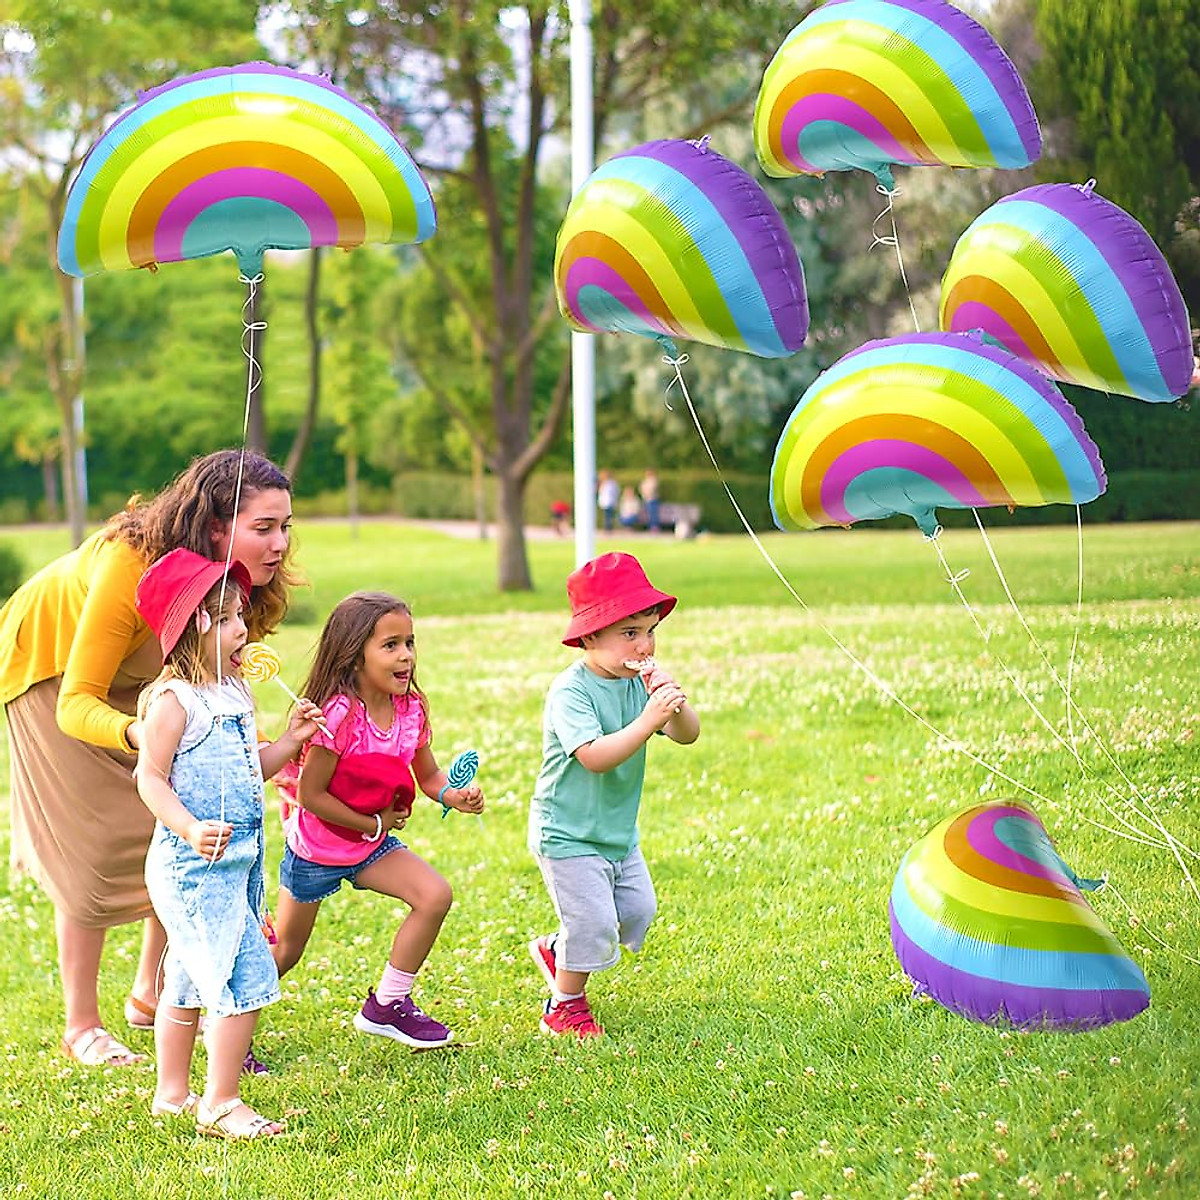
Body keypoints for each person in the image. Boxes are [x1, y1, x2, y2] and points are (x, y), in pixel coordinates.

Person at [0, 449, 297, 1068]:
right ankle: (82, 1024)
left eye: (285, 526)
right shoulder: (131, 562)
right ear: (216, 526)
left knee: (178, 830)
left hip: (149, 679)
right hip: (52, 671)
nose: (278, 544)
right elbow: (77, 704)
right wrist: (148, 739)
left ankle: (152, 992)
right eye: (263, 528)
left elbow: (217, 674)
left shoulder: (231, 589)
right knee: (97, 844)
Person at [133, 549, 323, 1138]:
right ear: (197, 625)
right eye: (232, 619)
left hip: (236, 865)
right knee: (245, 974)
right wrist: (188, 826)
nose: (245, 629)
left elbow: (247, 768)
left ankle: (171, 1094)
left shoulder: (236, 692)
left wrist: (290, 741)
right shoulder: (174, 702)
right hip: (190, 868)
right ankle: (220, 1101)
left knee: (189, 975)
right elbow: (150, 777)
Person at [271, 592, 484, 1049]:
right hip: (318, 848)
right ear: (353, 654)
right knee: (286, 950)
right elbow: (310, 795)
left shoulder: (411, 709)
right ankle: (226, 1015)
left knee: (434, 895)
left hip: (369, 842)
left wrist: (454, 794)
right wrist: (375, 824)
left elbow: (427, 776)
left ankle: (388, 1004)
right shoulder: (337, 716)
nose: (405, 655)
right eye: (390, 645)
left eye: (409, 642)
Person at [527, 552, 699, 1038]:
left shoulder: (637, 683)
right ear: (589, 637)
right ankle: (564, 1007)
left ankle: (558, 949)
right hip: (568, 833)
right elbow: (594, 756)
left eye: (649, 630)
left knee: (637, 912)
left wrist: (674, 705)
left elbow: (688, 735)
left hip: (617, 831)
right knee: (594, 924)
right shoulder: (571, 693)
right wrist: (648, 721)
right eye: (629, 633)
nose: (644, 644)